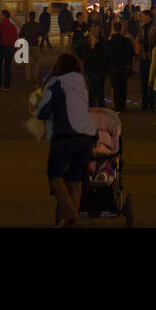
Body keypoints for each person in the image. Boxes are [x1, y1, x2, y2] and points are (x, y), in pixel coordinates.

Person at [37, 54, 98, 227]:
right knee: (75, 179)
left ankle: (70, 214)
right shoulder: (82, 83)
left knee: (55, 175)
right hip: (87, 135)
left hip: (66, 135)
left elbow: (43, 111)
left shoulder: (54, 82)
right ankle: (69, 221)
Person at [0, 10, 19, 91]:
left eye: (1, 15)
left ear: (4, 15)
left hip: (0, 48)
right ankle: (7, 86)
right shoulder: (13, 27)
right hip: (9, 48)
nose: (0, 16)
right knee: (8, 67)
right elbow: (15, 39)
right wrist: (15, 49)